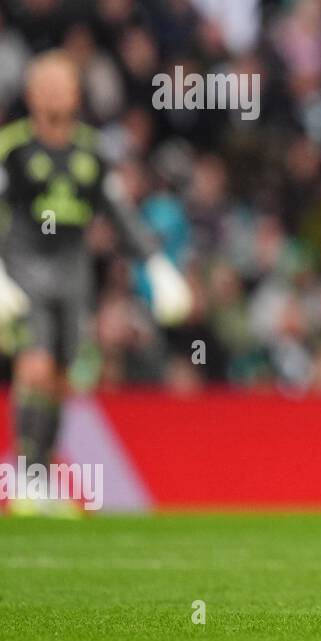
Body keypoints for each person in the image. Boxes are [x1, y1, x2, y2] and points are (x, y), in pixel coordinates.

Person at [0, 50, 192, 516]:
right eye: (45, 85)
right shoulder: (13, 148)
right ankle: (26, 480)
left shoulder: (92, 151)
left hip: (73, 275)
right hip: (25, 270)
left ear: (76, 92)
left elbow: (120, 214)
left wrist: (156, 265)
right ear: (29, 94)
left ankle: (40, 480)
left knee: (65, 378)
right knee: (35, 368)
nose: (54, 93)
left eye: (62, 84)